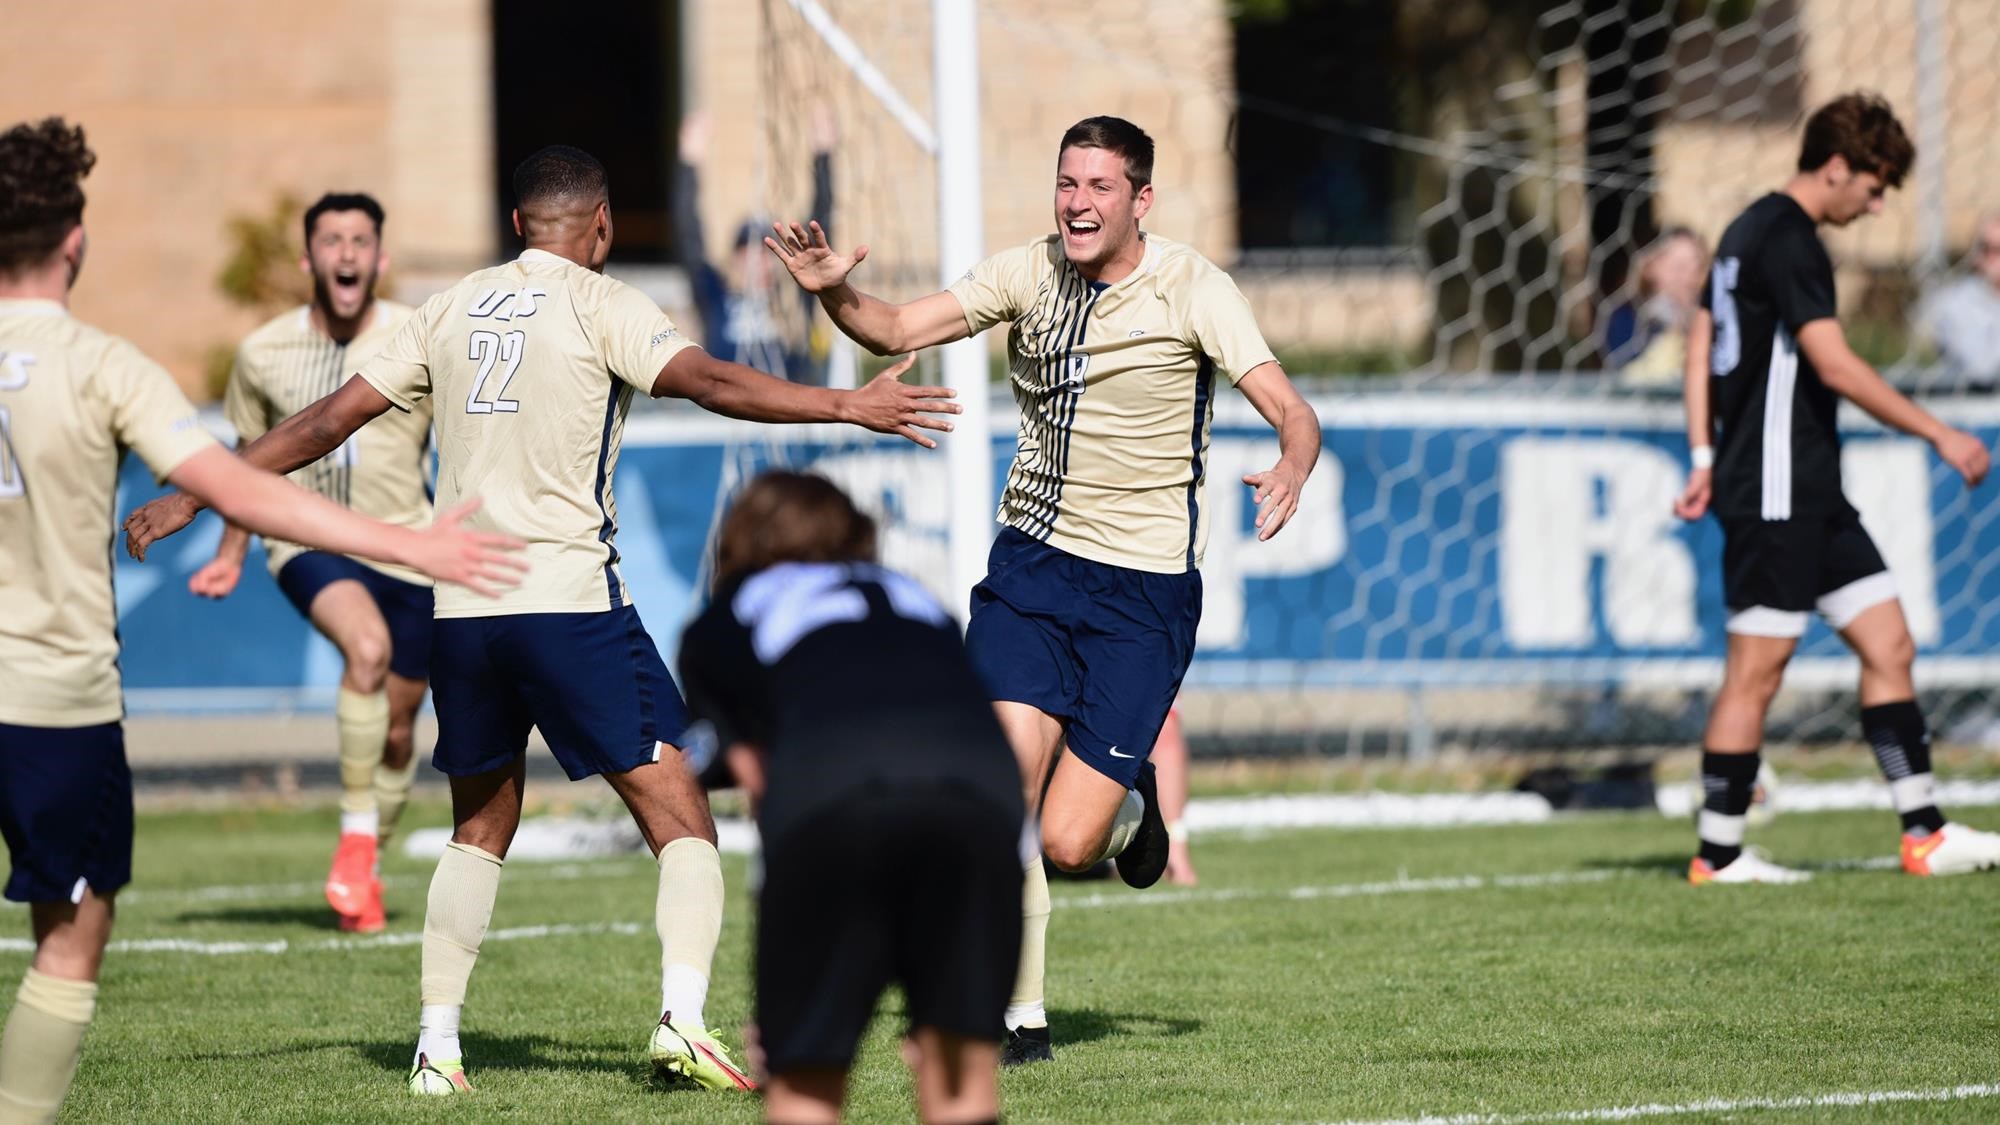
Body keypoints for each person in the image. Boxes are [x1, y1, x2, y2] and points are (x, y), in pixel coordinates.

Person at [124, 143, 958, 1096]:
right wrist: (847, 402)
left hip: (460, 610)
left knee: (479, 826)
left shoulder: (450, 306)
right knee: (682, 811)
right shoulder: (605, 304)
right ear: (602, 225)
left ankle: (437, 1048)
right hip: (567, 601)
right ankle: (683, 1022)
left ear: (518, 224)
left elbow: (323, 423)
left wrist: (194, 495)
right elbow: (711, 382)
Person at [0, 117, 521, 1125]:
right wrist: (408, 545)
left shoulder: (414, 330)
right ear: (75, 240)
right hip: (55, 700)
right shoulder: (107, 366)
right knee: (67, 936)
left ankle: (366, 839)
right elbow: (247, 479)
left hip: (372, 564)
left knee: (399, 719)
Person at [767, 115, 1321, 1063]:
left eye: (1101, 186)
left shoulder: (1194, 288)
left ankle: (1134, 814)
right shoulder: (1026, 273)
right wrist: (834, 293)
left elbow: (1291, 408)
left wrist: (1292, 464)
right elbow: (894, 327)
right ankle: (1017, 1015)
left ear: (1141, 199)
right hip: (1031, 570)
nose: (1078, 202)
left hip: (1142, 596)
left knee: (1069, 841)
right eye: (1068, 182)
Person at [1673, 92, 2000, 884]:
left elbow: (1703, 341)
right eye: (1875, 187)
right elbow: (1835, 364)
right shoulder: (1790, 240)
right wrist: (1939, 432)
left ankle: (1924, 832)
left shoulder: (1745, 230)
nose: (1877, 205)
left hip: (1811, 490)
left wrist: (1702, 454)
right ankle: (1719, 854)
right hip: (1775, 489)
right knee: (1756, 670)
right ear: (1836, 166)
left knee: (1890, 644)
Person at [678, 471, 1023, 1125]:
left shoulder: (724, 619)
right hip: (980, 802)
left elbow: (762, 784)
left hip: (834, 797)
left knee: (805, 1086)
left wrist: (784, 978)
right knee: (962, 1082)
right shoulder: (915, 598)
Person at [189, 191, 432, 933]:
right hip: (308, 544)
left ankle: (367, 862)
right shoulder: (263, 352)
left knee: (398, 730)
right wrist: (232, 551)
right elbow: (247, 459)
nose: (346, 253)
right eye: (332, 240)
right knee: (367, 649)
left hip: (408, 547)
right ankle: (356, 840)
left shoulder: (421, 335)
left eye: (360, 240)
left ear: (380, 259)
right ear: (308, 259)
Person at [673, 107, 831, 383]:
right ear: (734, 258)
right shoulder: (715, 294)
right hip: (727, 403)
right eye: (748, 251)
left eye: (766, 252)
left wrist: (824, 156)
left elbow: (822, 226)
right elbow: (688, 233)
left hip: (788, 402)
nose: (757, 260)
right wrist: (689, 161)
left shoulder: (792, 298)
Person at [1604, 226, 1708, 385]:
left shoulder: (1708, 319)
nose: (1689, 278)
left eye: (1697, 268)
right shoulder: (1627, 320)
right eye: (1680, 267)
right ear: (1652, 267)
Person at [1918, 211, 2000, 391]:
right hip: (1967, 403)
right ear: (1976, 254)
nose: (1994, 258)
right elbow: (1981, 369)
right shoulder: (1955, 302)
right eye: (1987, 249)